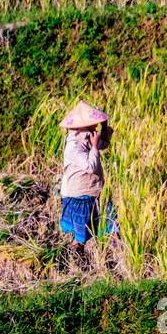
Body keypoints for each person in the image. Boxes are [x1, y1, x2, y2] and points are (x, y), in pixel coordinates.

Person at [59, 99, 116, 259]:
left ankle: (116, 258)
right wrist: (94, 147)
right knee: (81, 238)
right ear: (83, 126)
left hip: (95, 192)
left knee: (113, 226)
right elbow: (90, 166)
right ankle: (75, 262)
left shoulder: (87, 136)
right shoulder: (73, 146)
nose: (95, 126)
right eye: (94, 123)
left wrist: (105, 127)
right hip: (80, 196)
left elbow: (103, 144)